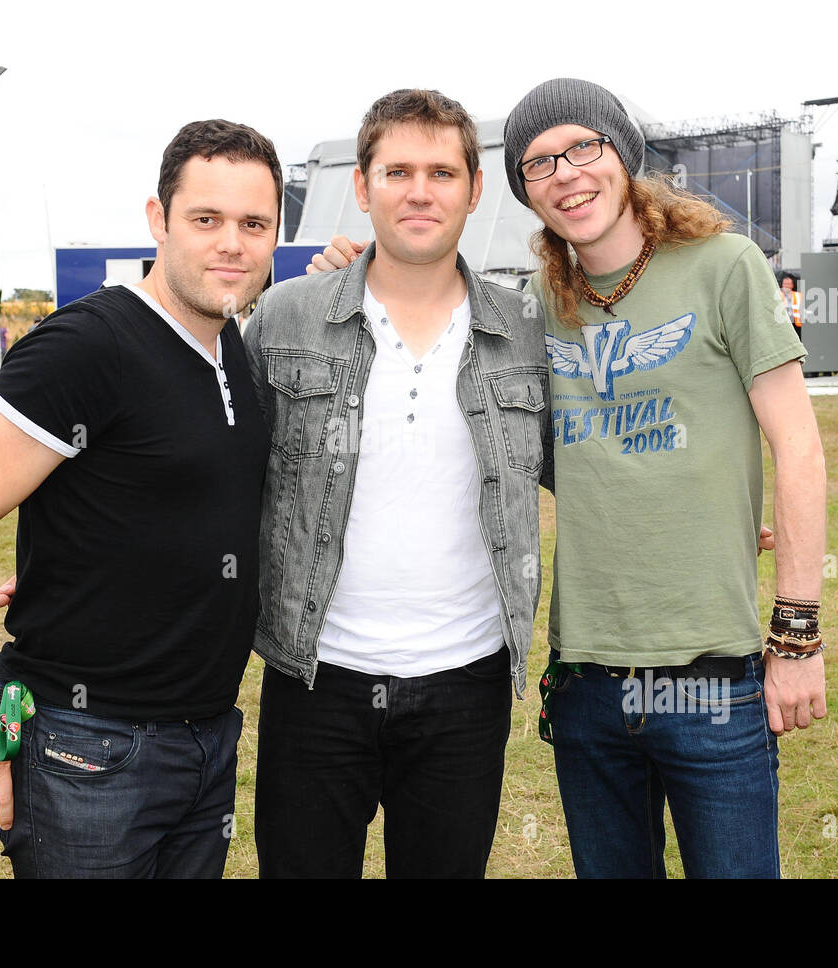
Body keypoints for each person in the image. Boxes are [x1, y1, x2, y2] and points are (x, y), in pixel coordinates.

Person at [0, 118, 281, 879]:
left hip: (208, 736)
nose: (232, 244)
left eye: (254, 224)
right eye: (206, 219)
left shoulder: (231, 348)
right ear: (158, 219)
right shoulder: (88, 344)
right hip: (85, 748)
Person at [504, 78, 826, 878]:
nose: (566, 174)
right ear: (525, 190)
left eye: (583, 147)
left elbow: (799, 447)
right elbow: (552, 448)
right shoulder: (536, 304)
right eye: (538, 163)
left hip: (711, 683)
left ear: (624, 153)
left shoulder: (725, 267)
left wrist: (796, 637)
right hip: (585, 680)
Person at [244, 89, 551, 879]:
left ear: (474, 191)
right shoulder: (285, 317)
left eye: (442, 173)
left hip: (466, 683)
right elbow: (213, 469)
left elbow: (587, 466)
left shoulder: (526, 329)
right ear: (362, 186)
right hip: (316, 679)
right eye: (398, 172)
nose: (420, 192)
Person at [779, 272, 802, 340]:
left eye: (788, 284)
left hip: (796, 324)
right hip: (783, 324)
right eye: (784, 284)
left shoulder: (798, 295)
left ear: (792, 285)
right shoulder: (778, 295)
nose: (786, 286)